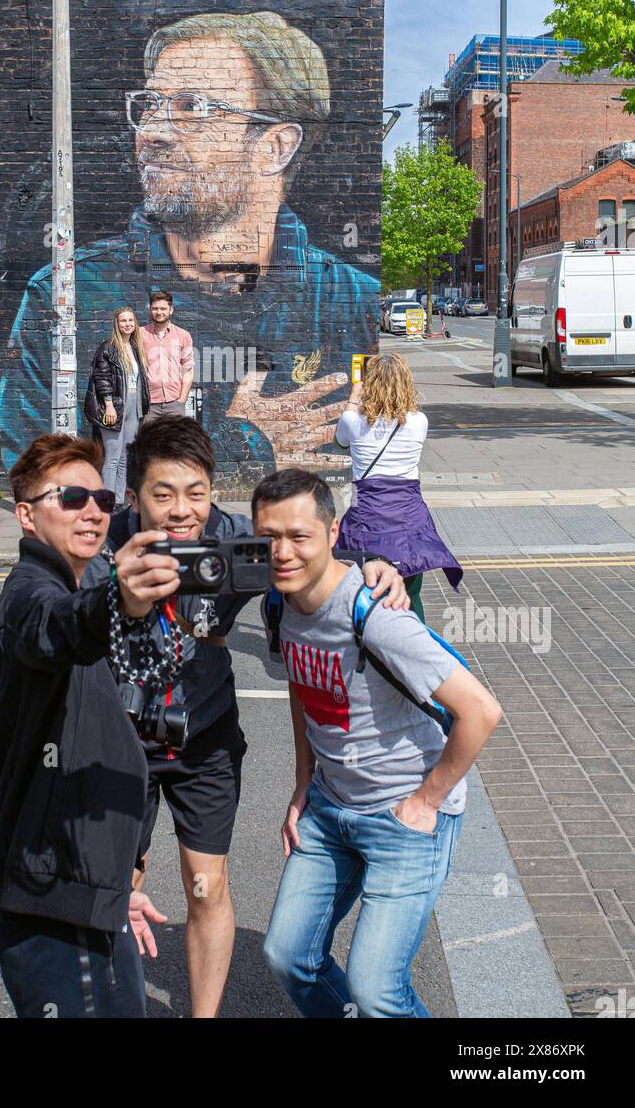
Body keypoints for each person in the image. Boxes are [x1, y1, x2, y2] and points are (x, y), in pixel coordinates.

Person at [0, 10, 379, 493]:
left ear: (276, 146)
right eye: (150, 105)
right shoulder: (67, 293)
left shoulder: (353, 301)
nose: (153, 130)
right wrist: (245, 447)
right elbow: (25, 477)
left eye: (192, 107)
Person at [107, 415, 410, 1018]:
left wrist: (375, 566)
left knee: (207, 884)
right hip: (120, 744)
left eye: (196, 492)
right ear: (134, 495)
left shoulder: (236, 540)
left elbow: (309, 549)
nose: (181, 511)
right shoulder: (108, 547)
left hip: (205, 741)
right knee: (120, 888)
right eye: (162, 494)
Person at [254, 468, 502, 1018]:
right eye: (268, 537)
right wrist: (301, 784)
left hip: (401, 817)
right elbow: (303, 688)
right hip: (329, 808)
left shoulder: (376, 614)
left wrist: (426, 801)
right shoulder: (277, 606)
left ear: (333, 531)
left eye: (298, 536)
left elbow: (481, 712)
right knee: (288, 956)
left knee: (377, 990)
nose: (282, 552)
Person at [0, 432, 179, 1019]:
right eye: (69, 497)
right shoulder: (30, 596)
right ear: (26, 515)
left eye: (102, 499)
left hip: (91, 889)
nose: (92, 510)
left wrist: (119, 882)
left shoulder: (80, 581)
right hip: (53, 901)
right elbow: (60, 628)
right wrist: (121, 601)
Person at [334, 351, 462, 621]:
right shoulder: (419, 422)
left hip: (365, 515)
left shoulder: (352, 421)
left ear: (371, 383)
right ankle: (414, 642)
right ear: (407, 383)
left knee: (364, 588)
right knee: (410, 594)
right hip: (409, 518)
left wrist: (354, 396)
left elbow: (341, 442)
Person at [86, 305, 150, 504]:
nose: (127, 324)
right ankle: (107, 502)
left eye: (130, 320)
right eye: (123, 321)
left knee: (124, 458)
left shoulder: (135, 347)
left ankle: (119, 501)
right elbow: (101, 378)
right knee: (112, 457)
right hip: (115, 406)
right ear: (116, 323)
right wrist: (109, 405)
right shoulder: (108, 347)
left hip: (134, 405)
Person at [140, 290, 194, 420]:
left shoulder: (183, 335)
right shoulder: (140, 334)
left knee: (175, 440)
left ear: (171, 310)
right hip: (148, 404)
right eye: (155, 308)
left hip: (174, 403)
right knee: (149, 440)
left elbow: (188, 369)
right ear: (150, 310)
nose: (159, 312)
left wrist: (181, 400)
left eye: (163, 308)